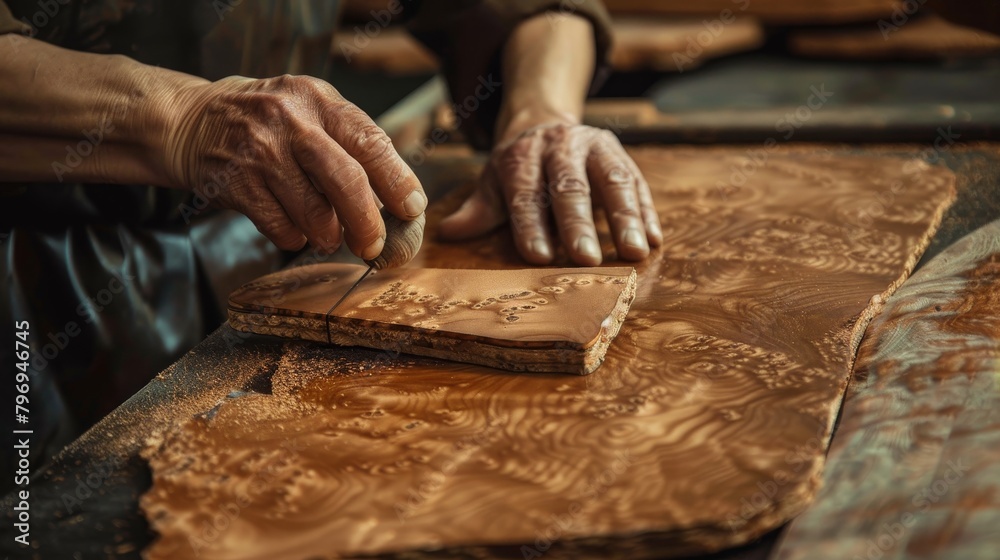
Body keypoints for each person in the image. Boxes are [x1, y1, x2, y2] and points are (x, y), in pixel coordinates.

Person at [0, 0, 659, 488]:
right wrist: (181, 119)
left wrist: (537, 114)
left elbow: (541, 11)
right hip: (39, 296)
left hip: (278, 256)